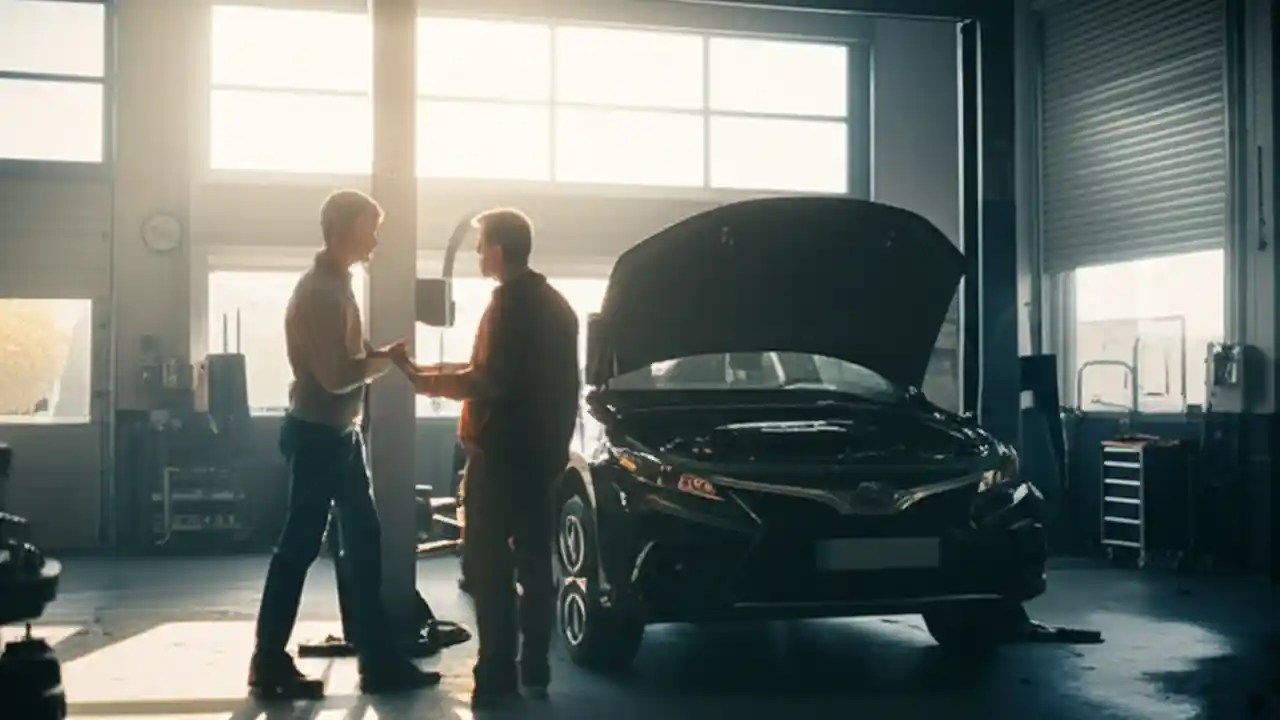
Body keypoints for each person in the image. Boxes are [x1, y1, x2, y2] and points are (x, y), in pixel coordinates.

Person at [248, 189, 441, 698]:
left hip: (337, 435)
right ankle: (268, 663)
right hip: (318, 435)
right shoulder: (320, 293)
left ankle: (378, 662)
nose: (376, 237)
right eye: (369, 227)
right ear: (341, 231)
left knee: (363, 544)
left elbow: (342, 360)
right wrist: (385, 362)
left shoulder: (338, 285)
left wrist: (378, 355)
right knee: (299, 548)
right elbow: (335, 376)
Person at [391, 208, 579, 707]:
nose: (477, 256)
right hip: (541, 460)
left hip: (498, 460)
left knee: (488, 567)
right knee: (537, 564)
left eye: (479, 248)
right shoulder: (558, 306)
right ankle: (535, 668)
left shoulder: (507, 306)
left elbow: (487, 380)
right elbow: (558, 387)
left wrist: (423, 380)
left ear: (496, 251)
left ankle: (496, 673)